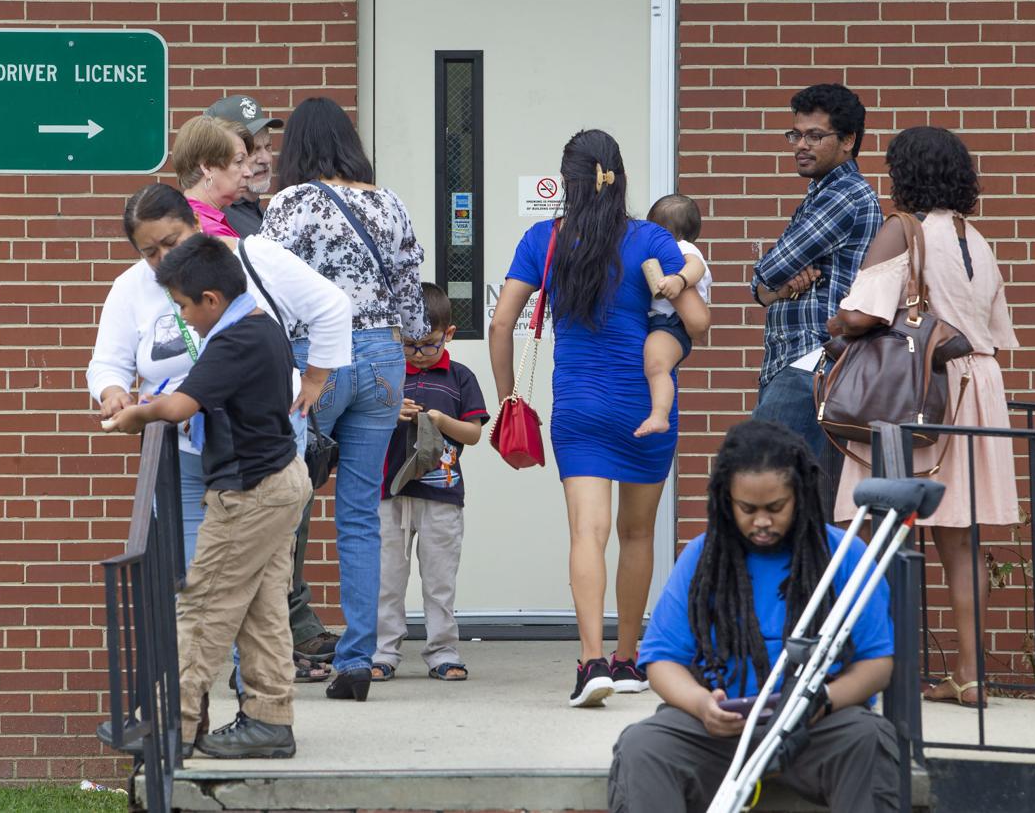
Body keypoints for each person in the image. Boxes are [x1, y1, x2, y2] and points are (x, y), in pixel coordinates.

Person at [86, 183, 350, 684]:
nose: (163, 260)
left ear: (196, 222)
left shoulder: (253, 258)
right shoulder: (130, 287)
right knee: (198, 577)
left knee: (258, 576)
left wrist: (316, 380)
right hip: (184, 451)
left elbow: (333, 307)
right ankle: (232, 688)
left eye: (172, 241)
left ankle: (248, 689)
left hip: (259, 448)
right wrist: (113, 392)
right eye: (149, 251)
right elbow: (107, 363)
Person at [489, 129, 709, 708]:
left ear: (568, 182)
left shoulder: (544, 239)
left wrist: (508, 396)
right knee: (637, 534)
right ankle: (629, 659)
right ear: (620, 178)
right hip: (643, 401)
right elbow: (697, 322)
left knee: (587, 532)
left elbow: (501, 323)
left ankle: (591, 663)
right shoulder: (651, 239)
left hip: (579, 406)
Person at [609, 420, 898, 813]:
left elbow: (877, 664)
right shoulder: (701, 557)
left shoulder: (844, 555)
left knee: (869, 737)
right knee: (642, 747)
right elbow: (662, 661)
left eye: (775, 508)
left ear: (800, 496)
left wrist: (821, 702)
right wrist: (701, 705)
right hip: (717, 733)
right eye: (747, 509)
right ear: (726, 499)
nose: (761, 521)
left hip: (814, 728)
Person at [829, 126, 1019, 709]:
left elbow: (862, 314)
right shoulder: (977, 240)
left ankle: (879, 670)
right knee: (961, 539)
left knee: (876, 527)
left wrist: (837, 321)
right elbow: (995, 331)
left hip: (918, 388)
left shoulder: (903, 228)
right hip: (977, 385)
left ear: (905, 174)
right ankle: (969, 675)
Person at [105, 234, 312, 759]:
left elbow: (179, 406)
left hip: (249, 492)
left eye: (183, 306)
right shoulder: (262, 325)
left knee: (203, 604)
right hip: (280, 480)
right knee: (262, 610)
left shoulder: (233, 340)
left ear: (212, 300)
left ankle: (166, 723)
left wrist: (137, 415)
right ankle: (268, 721)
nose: (183, 317)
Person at [260, 96, 427, 702]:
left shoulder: (289, 204)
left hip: (315, 362)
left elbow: (266, 288)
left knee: (283, 508)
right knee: (360, 515)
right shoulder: (390, 203)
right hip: (383, 360)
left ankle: (265, 654)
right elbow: (413, 305)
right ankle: (359, 660)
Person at [204, 94, 342, 666]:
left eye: (266, 146)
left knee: (291, 505)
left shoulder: (262, 216)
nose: (262, 158)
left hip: (283, 380)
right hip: (249, 395)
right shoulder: (220, 225)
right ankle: (283, 636)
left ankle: (292, 627)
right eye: (248, 149)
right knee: (278, 510)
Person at [749, 84, 882, 462]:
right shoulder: (821, 194)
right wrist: (774, 289)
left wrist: (770, 283)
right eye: (796, 135)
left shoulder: (844, 194)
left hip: (811, 361)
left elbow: (770, 269)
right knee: (791, 483)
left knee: (759, 471)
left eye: (815, 136)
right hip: (800, 363)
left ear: (848, 140)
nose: (800, 146)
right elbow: (764, 286)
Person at [371, 283, 490, 683]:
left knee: (439, 581)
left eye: (428, 344)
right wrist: (390, 411)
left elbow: (474, 433)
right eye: (409, 345)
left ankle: (443, 652)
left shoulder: (460, 377)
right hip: (389, 493)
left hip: (442, 494)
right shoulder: (386, 376)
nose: (419, 354)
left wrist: (441, 421)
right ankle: (384, 651)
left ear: (448, 334)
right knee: (387, 579)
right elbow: (362, 426)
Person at [635, 194, 712, 437]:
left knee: (656, 365)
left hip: (671, 323)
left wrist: (680, 280)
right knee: (654, 365)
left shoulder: (682, 247)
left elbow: (696, 266)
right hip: (661, 320)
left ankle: (659, 415)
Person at [204, 94, 283, 238]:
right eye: (253, 149)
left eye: (268, 146)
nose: (266, 159)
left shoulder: (257, 209)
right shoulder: (215, 220)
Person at [173, 114, 253, 239]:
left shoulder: (182, 217)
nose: (249, 172)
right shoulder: (210, 233)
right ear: (208, 167)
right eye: (239, 161)